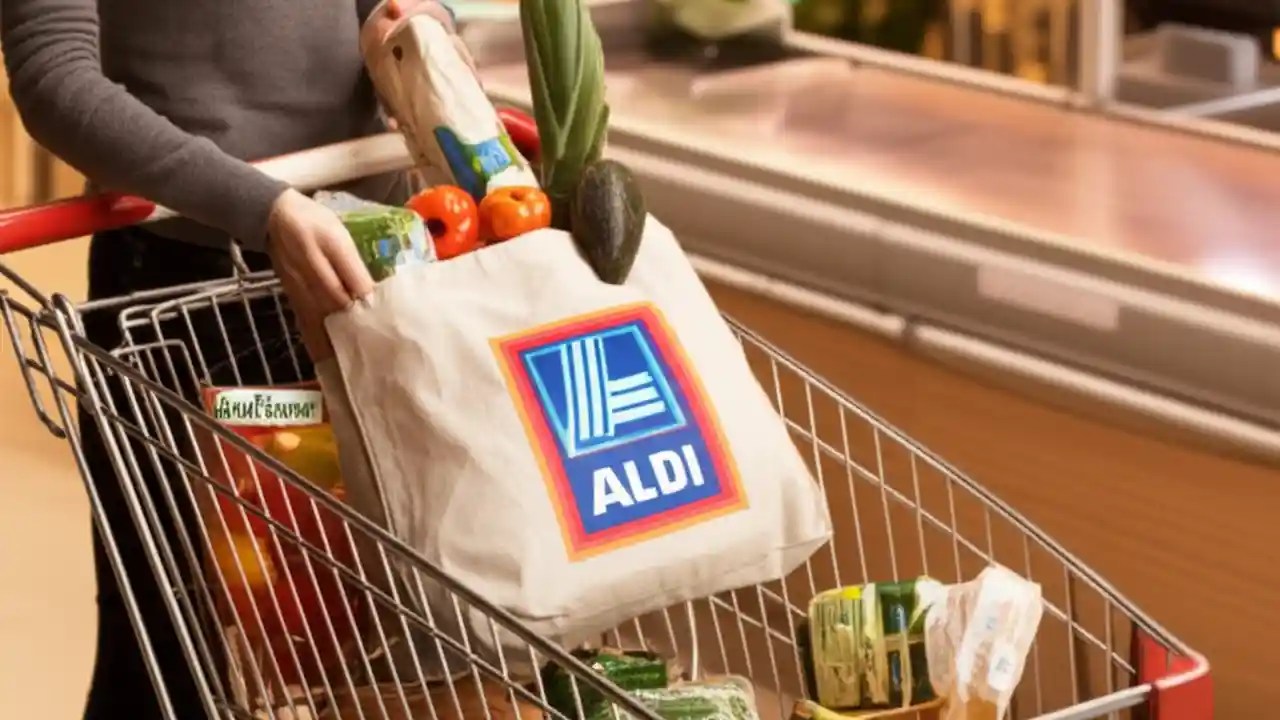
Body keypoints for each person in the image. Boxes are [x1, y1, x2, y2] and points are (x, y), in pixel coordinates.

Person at [0, 0, 474, 717]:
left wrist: (416, 22)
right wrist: (265, 206)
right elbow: (54, 80)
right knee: (172, 651)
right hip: (186, 292)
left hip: (377, 257)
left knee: (384, 655)